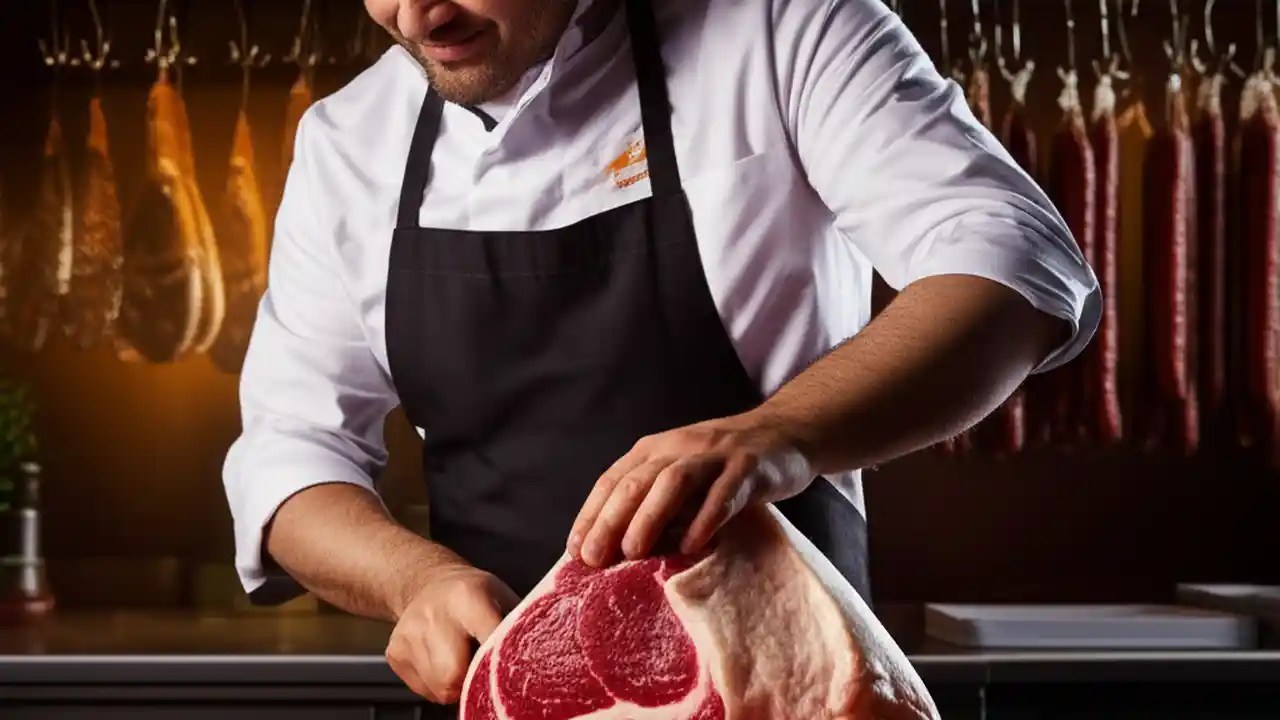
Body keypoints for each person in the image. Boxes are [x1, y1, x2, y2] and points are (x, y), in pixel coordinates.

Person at [222, 0, 1099, 708]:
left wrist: (779, 434)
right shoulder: (348, 142)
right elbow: (290, 456)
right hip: (509, 696)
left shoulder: (782, 30)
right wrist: (411, 581)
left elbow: (1009, 262)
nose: (417, 15)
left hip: (781, 696)